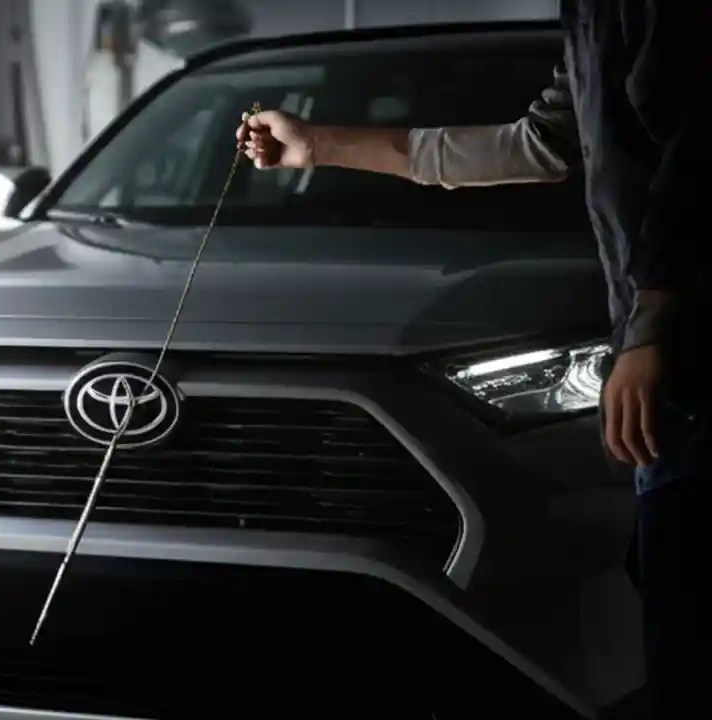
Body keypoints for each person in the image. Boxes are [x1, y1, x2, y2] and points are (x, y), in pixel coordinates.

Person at [236, 2, 707, 717]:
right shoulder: (593, 14)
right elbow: (538, 143)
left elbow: (700, 160)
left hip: (696, 365)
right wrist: (318, 146)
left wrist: (648, 330)